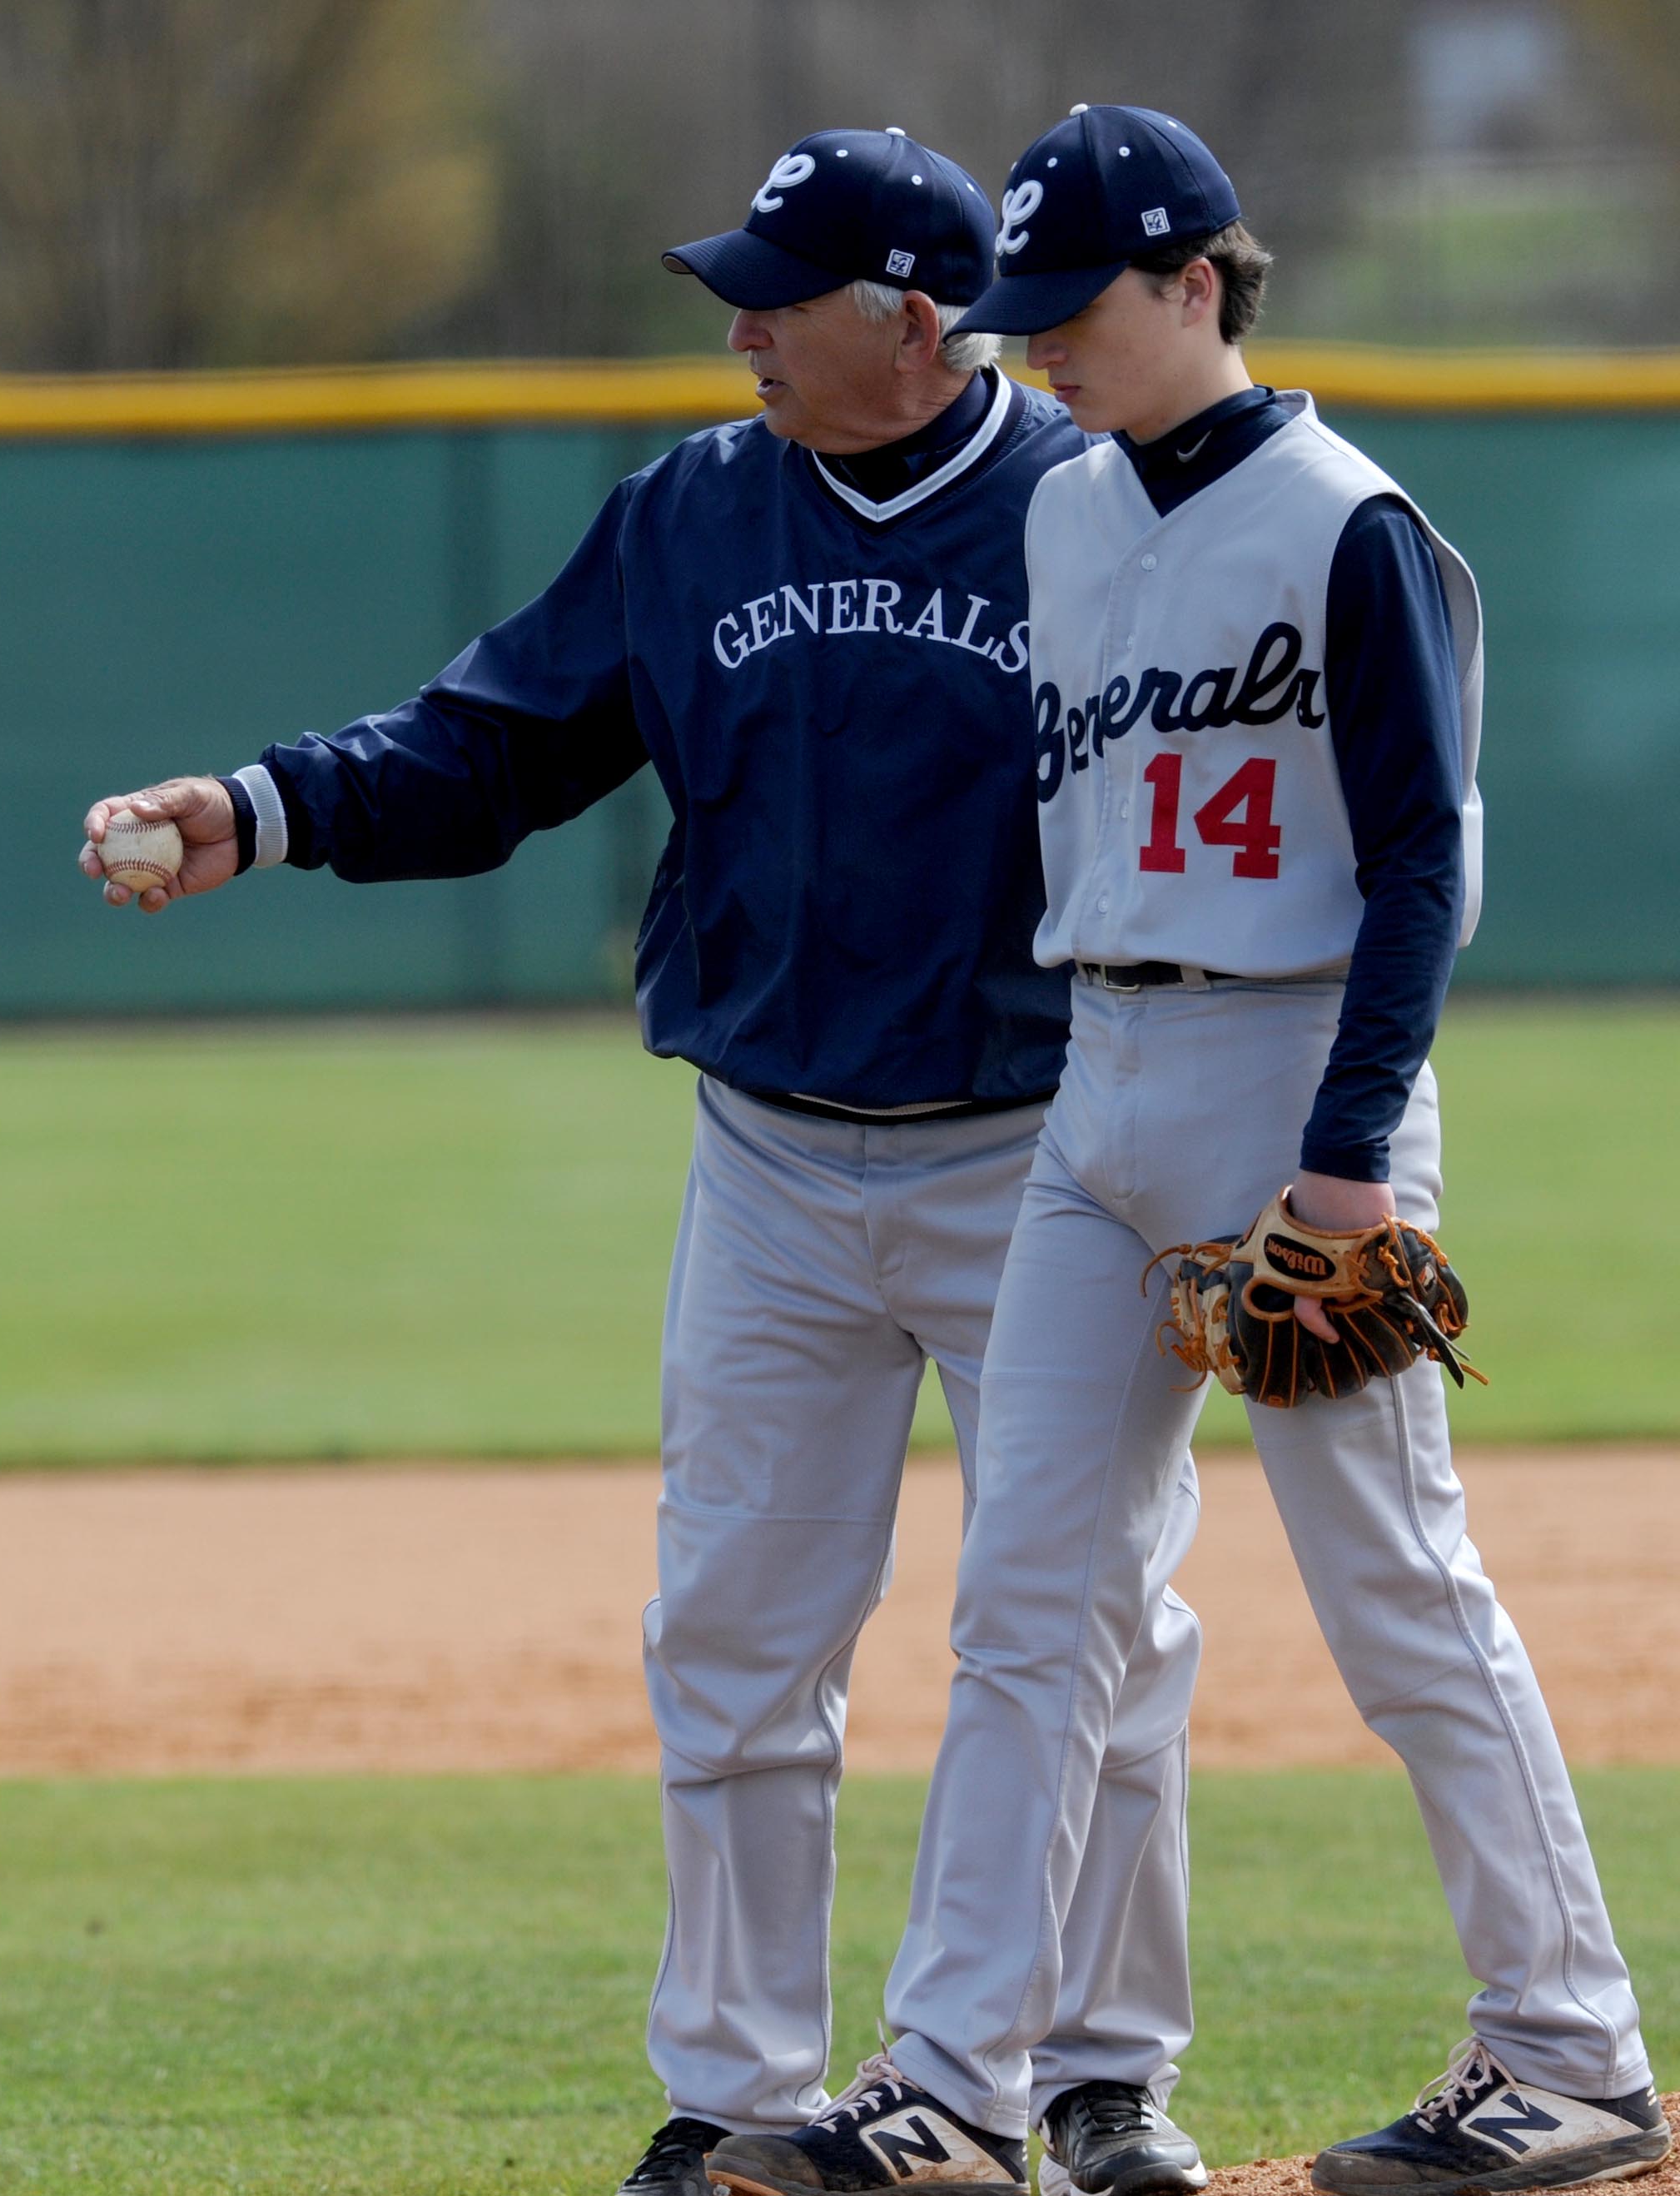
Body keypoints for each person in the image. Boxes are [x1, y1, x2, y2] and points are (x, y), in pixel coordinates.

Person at [79, 129, 1213, 2196]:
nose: (739, 325)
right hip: (773, 1150)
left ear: (919, 319)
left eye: (776, 292)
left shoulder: (1096, 507)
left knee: (1098, 1629)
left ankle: (1098, 2077)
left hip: (1044, 1149)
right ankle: (743, 2093)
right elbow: (496, 738)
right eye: (737, 290)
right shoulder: (691, 507)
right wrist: (261, 804)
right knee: (734, 1633)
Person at [704, 104, 1669, 2196]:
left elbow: (1421, 864)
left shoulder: (1346, 519)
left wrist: (1345, 1163)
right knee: (1029, 1601)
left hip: (1293, 1078)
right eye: (1022, 312)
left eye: (1078, 310)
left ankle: (1573, 2047)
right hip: (1100, 1083)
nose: (1044, 347)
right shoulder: (1070, 515)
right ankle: (953, 2083)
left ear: (1199, 284)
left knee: (1398, 1586)